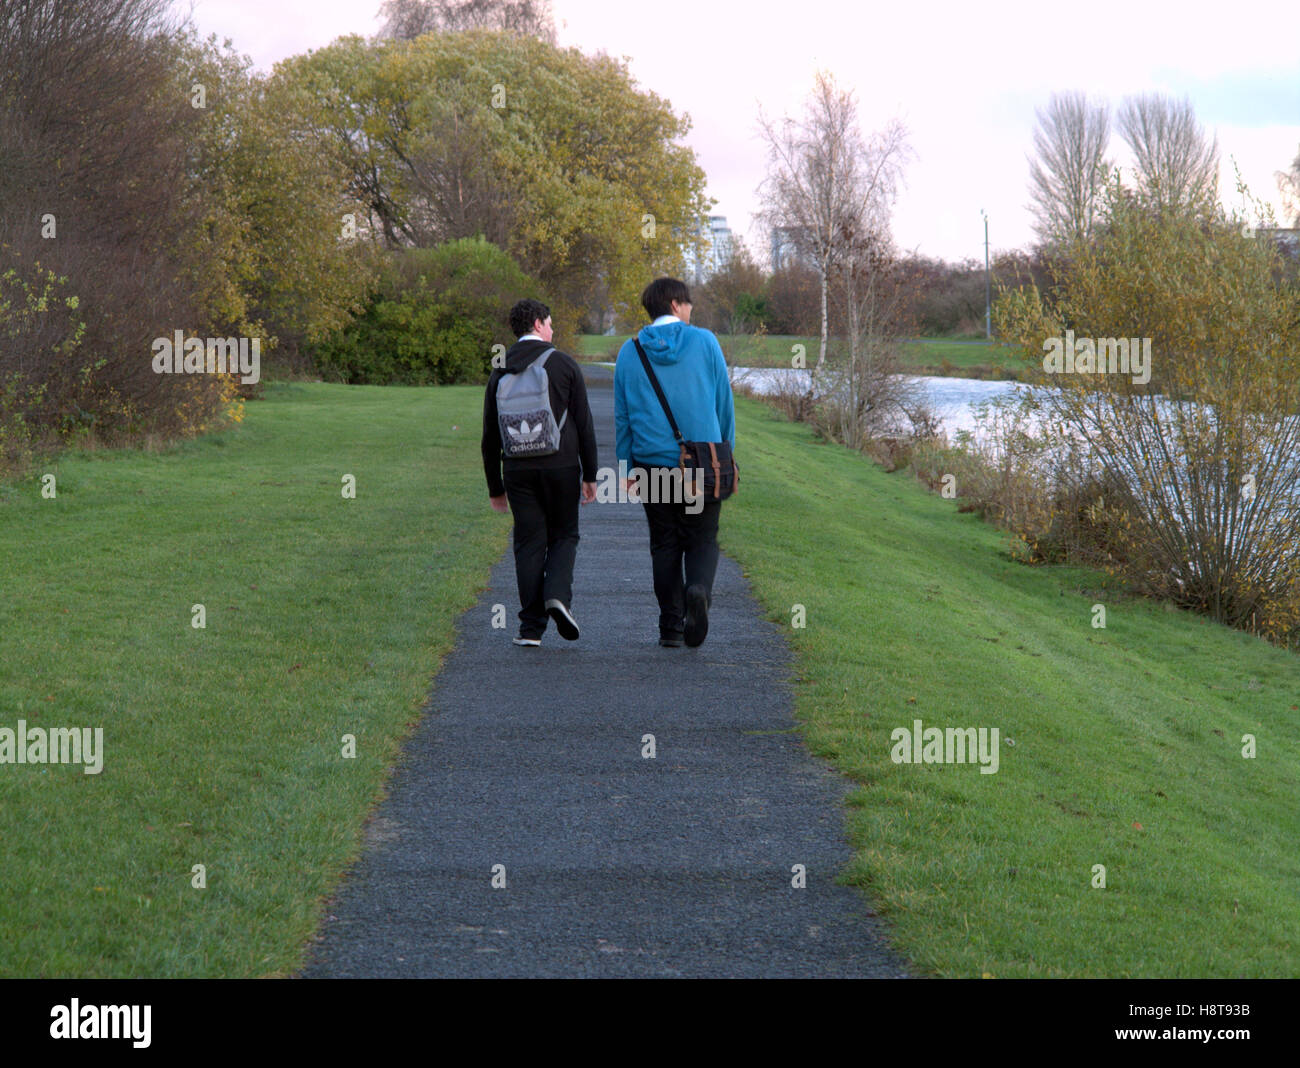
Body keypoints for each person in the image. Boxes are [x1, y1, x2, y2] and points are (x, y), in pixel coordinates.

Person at [614, 278, 735, 648]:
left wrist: (625, 468)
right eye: (688, 303)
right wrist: (725, 452)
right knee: (701, 538)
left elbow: (623, 417)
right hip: (702, 461)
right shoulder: (705, 341)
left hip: (653, 464)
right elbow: (723, 403)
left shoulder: (629, 351)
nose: (691, 309)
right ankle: (698, 590)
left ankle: (671, 627)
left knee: (664, 544)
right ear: (674, 304)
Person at [482, 299, 598, 646]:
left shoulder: (500, 367)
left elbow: (490, 434)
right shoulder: (563, 363)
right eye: (549, 323)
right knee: (564, 534)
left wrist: (495, 487)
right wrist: (590, 475)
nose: (552, 329)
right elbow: (585, 424)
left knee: (529, 542)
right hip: (561, 466)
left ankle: (530, 629)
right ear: (536, 324)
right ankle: (558, 597)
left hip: (517, 469)